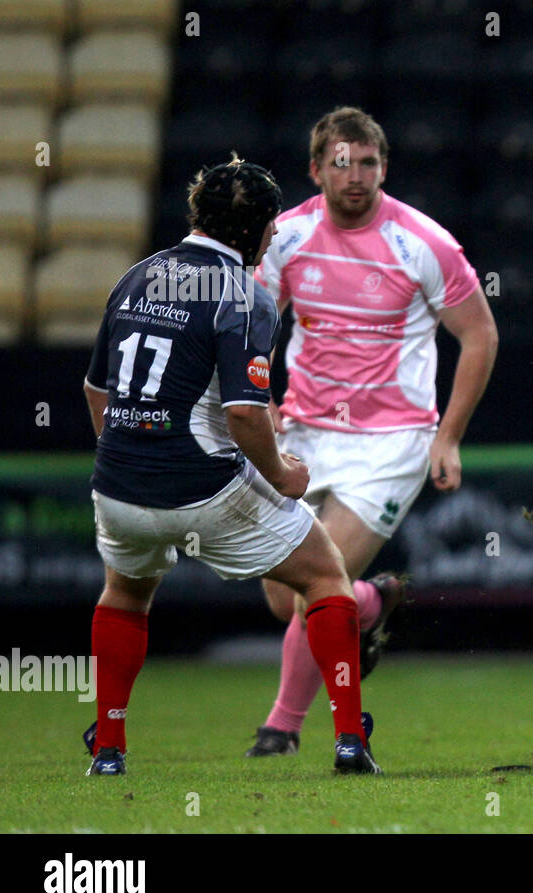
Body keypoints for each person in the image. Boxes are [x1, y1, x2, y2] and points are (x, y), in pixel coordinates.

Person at [82, 155, 380, 775]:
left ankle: (109, 748)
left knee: (125, 595)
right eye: (271, 225)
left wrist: (127, 454)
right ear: (257, 228)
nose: (275, 235)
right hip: (200, 485)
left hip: (117, 483)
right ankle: (350, 739)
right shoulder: (246, 295)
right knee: (326, 576)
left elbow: (96, 392)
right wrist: (283, 475)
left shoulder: (136, 276)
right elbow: (246, 416)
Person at [245, 107, 498, 756]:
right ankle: (368, 605)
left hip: (391, 442)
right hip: (302, 430)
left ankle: (283, 726)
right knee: (282, 595)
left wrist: (447, 436)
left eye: (367, 163)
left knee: (311, 581)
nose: (354, 176)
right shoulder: (285, 237)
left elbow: (479, 335)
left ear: (383, 168)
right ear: (315, 169)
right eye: (340, 163)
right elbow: (251, 322)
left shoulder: (423, 242)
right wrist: (259, 395)